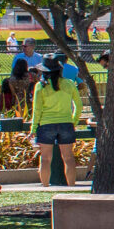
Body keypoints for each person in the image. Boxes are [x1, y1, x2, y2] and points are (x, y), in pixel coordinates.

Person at [30, 56, 81, 186]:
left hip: (46, 124)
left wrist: (34, 128)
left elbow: (37, 110)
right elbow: (78, 105)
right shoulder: (69, 83)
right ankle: (72, 187)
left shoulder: (40, 86)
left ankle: (45, 186)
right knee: (68, 158)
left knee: (45, 159)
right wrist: (73, 121)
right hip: (66, 123)